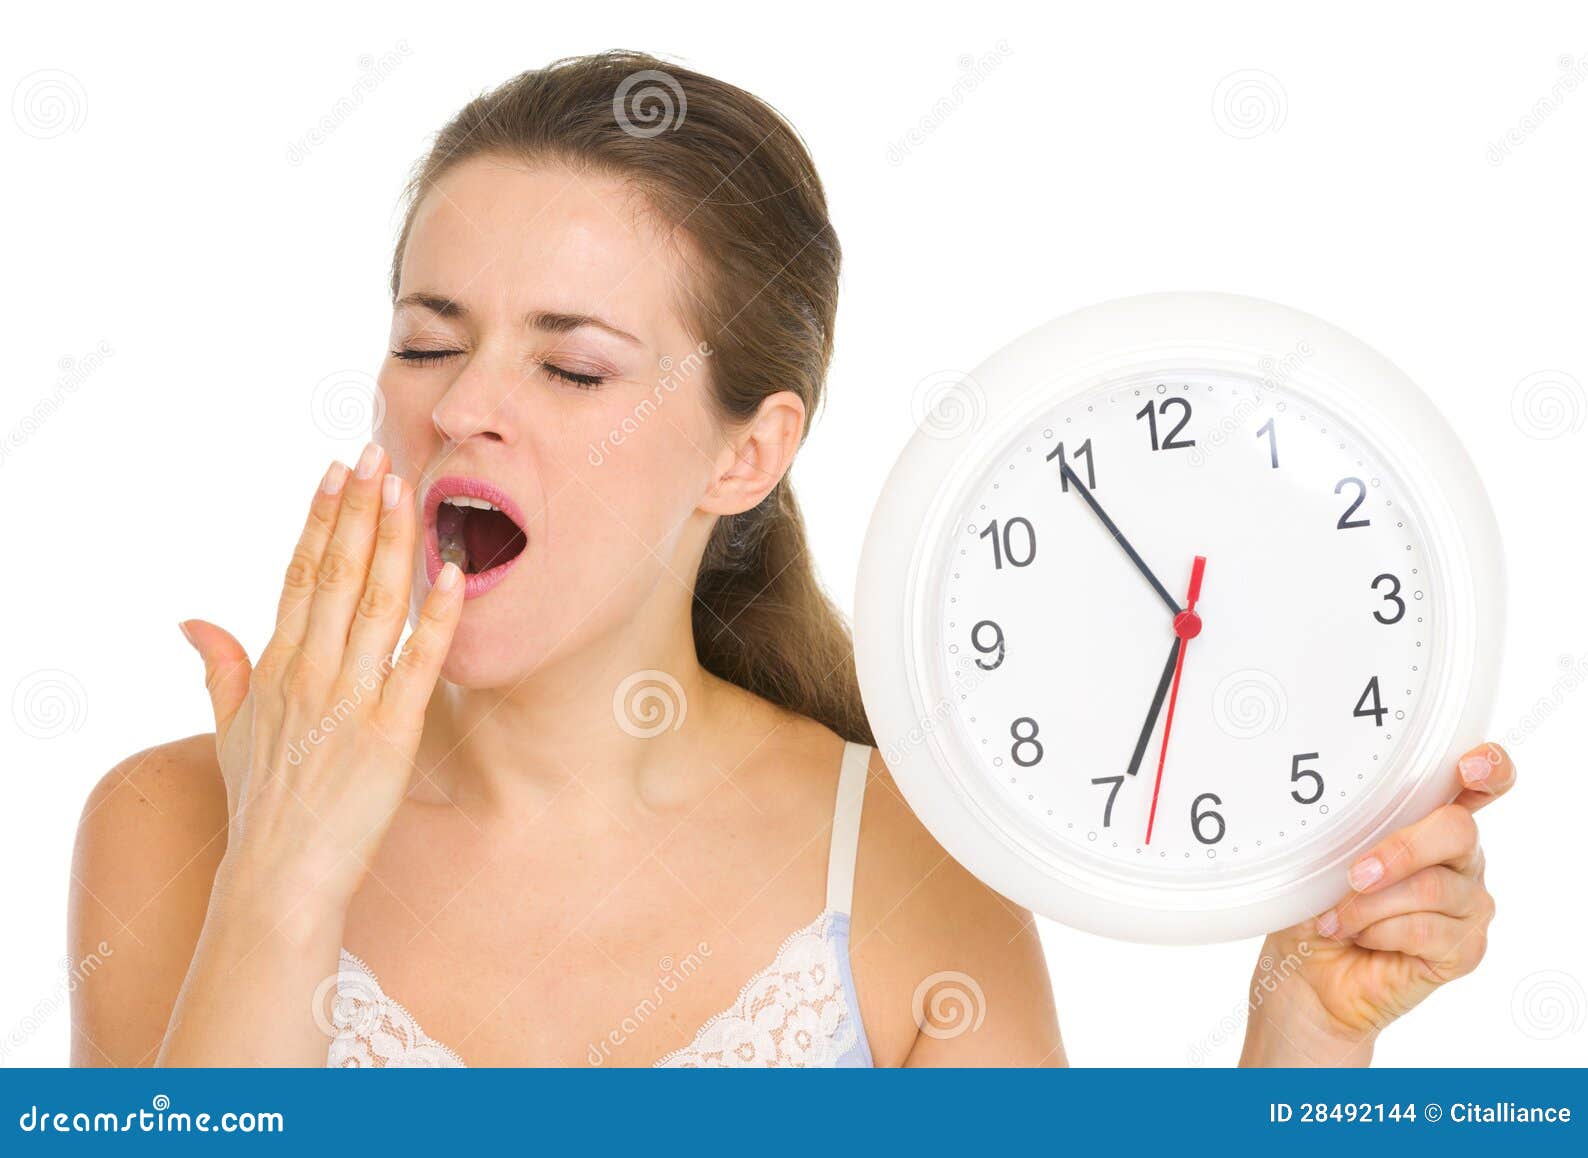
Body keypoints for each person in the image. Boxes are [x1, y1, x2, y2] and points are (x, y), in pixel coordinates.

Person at [68, 51, 1512, 1068]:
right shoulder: (171, 820)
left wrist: (1304, 1036)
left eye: (571, 367)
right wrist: (281, 877)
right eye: (427, 341)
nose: (457, 405)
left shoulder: (900, 860)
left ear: (745, 454)